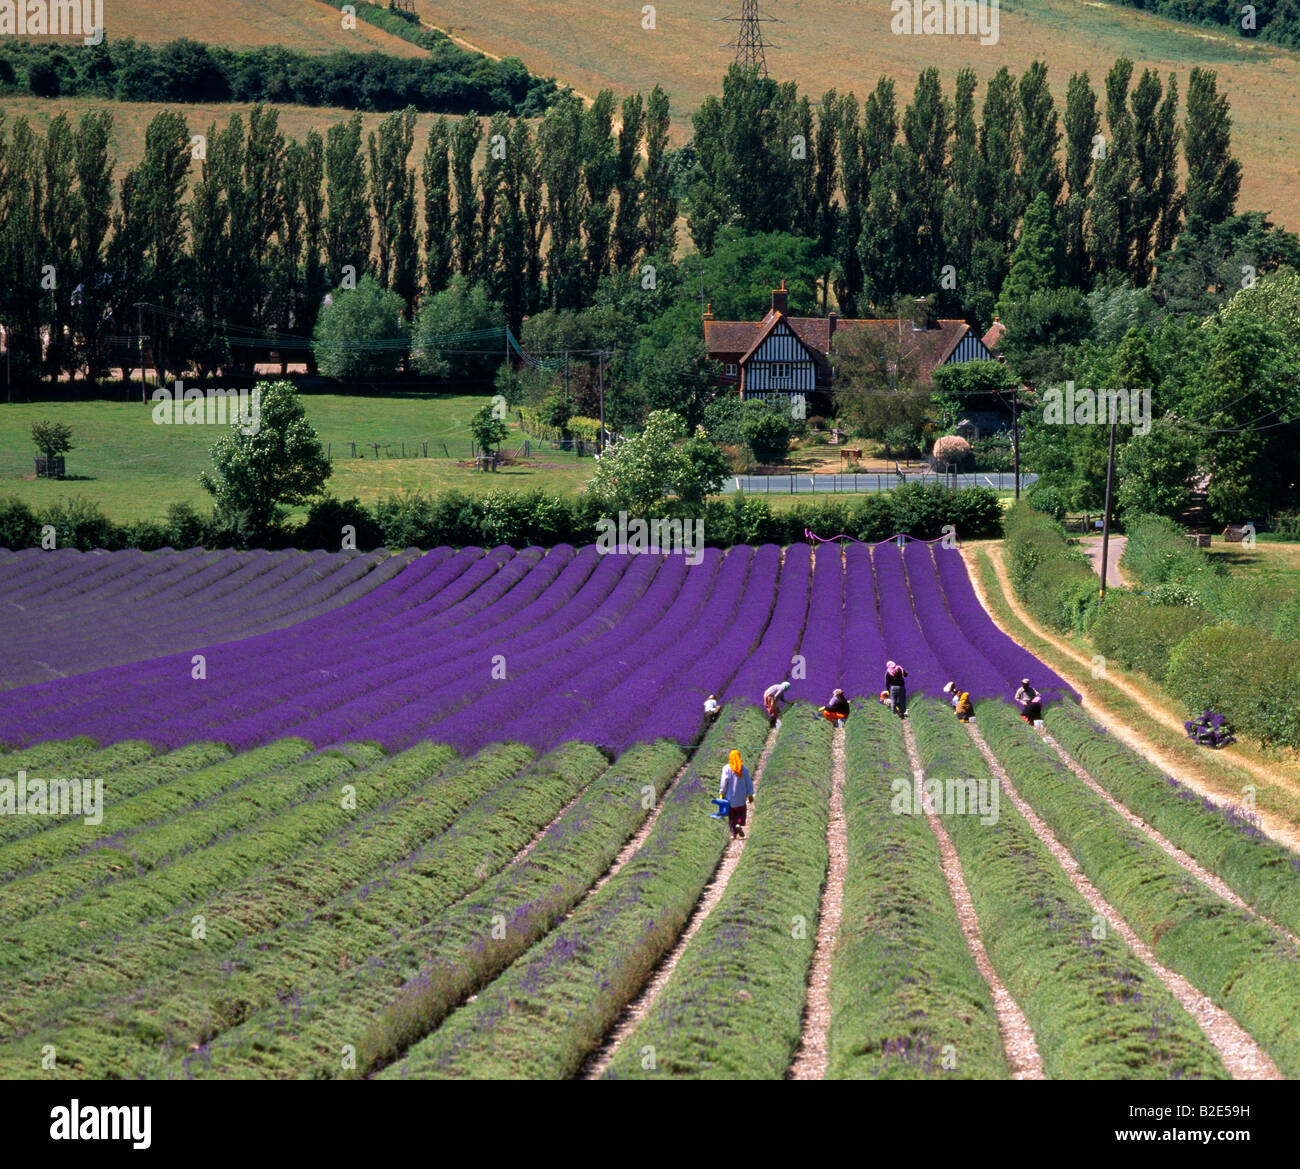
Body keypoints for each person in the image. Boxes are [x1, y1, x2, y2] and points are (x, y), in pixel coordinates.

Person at [719, 749, 754, 840]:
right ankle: (738, 823)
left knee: (731, 815)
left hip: (730, 797)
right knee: (740, 812)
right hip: (741, 797)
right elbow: (748, 782)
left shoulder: (726, 768)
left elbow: (724, 782)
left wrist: (722, 793)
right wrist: (750, 794)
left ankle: (732, 833)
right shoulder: (743, 769)